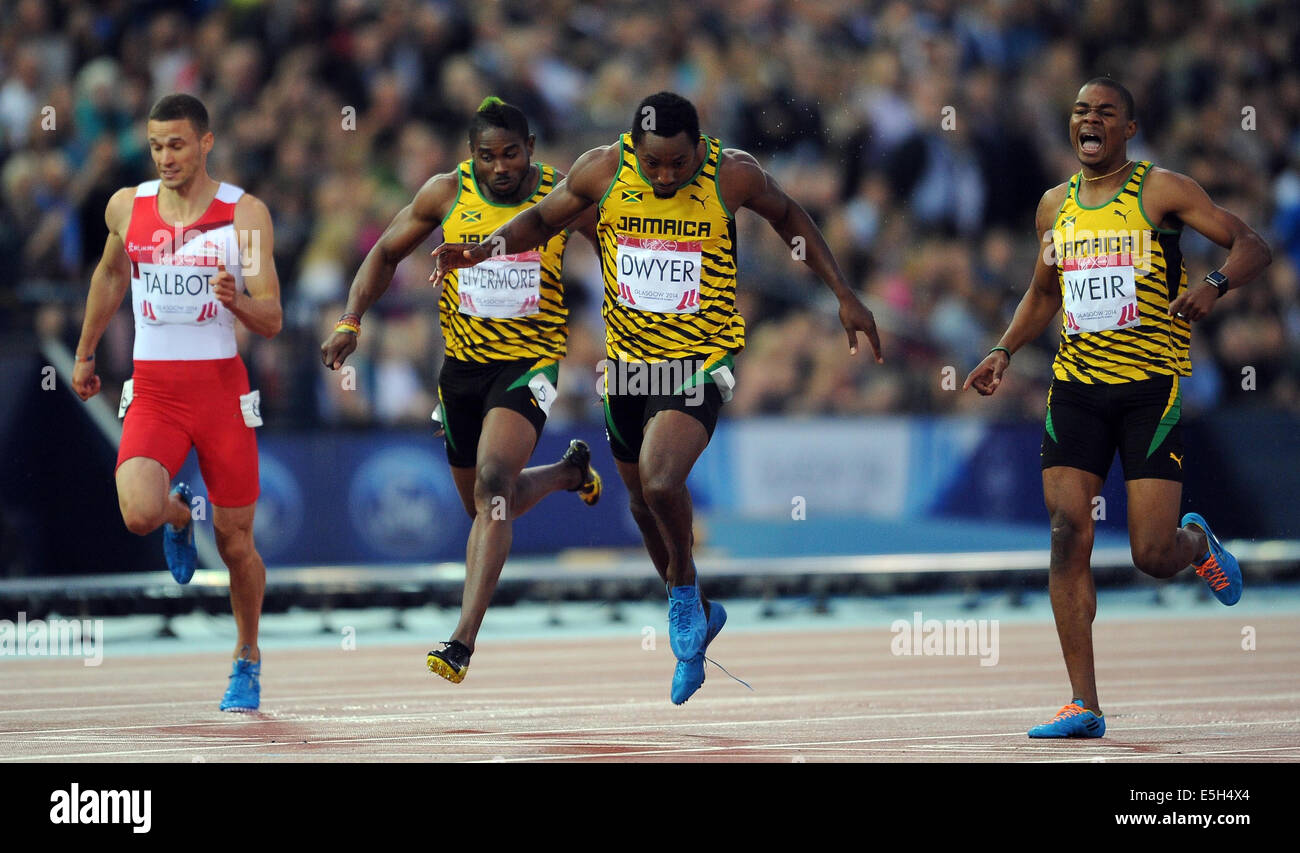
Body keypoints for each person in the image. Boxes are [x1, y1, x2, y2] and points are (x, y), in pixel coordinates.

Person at [433, 91, 883, 704]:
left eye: (678, 163)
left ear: (697, 147)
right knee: (643, 503)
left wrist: (844, 294)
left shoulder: (733, 173)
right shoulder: (600, 170)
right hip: (628, 369)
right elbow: (540, 220)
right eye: (654, 163)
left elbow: (790, 217)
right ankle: (695, 613)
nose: (666, 175)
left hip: (700, 359)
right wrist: (484, 250)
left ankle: (681, 590)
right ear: (633, 150)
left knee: (662, 480)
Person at [963, 78, 1272, 737]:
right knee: (1066, 532)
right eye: (1080, 112)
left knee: (1151, 553)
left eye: (1105, 112)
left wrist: (1215, 285)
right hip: (1074, 389)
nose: (1090, 120)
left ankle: (1197, 543)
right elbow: (1043, 293)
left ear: (1128, 129)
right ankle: (1084, 701)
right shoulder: (1054, 206)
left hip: (1147, 390)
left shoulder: (1161, 190)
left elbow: (1251, 243)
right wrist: (1004, 349)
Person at [320, 97, 601, 684]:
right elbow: (384, 251)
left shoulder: (561, 193)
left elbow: (613, 247)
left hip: (529, 363)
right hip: (462, 370)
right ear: (471, 157)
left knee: (495, 487)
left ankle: (462, 639)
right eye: (487, 156)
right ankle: (569, 474)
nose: (500, 167)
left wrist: (631, 323)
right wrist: (351, 320)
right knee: (486, 502)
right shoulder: (446, 192)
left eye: (511, 154)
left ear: (531, 149)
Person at [72, 93, 282, 712]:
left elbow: (272, 316)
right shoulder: (127, 207)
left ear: (206, 142)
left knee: (237, 543)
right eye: (157, 145)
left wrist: (237, 300)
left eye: (178, 145)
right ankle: (175, 514)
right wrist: (85, 354)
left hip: (220, 393)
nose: (165, 157)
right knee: (138, 511)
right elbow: (110, 275)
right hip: (156, 391)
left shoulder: (243, 216)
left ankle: (247, 657)